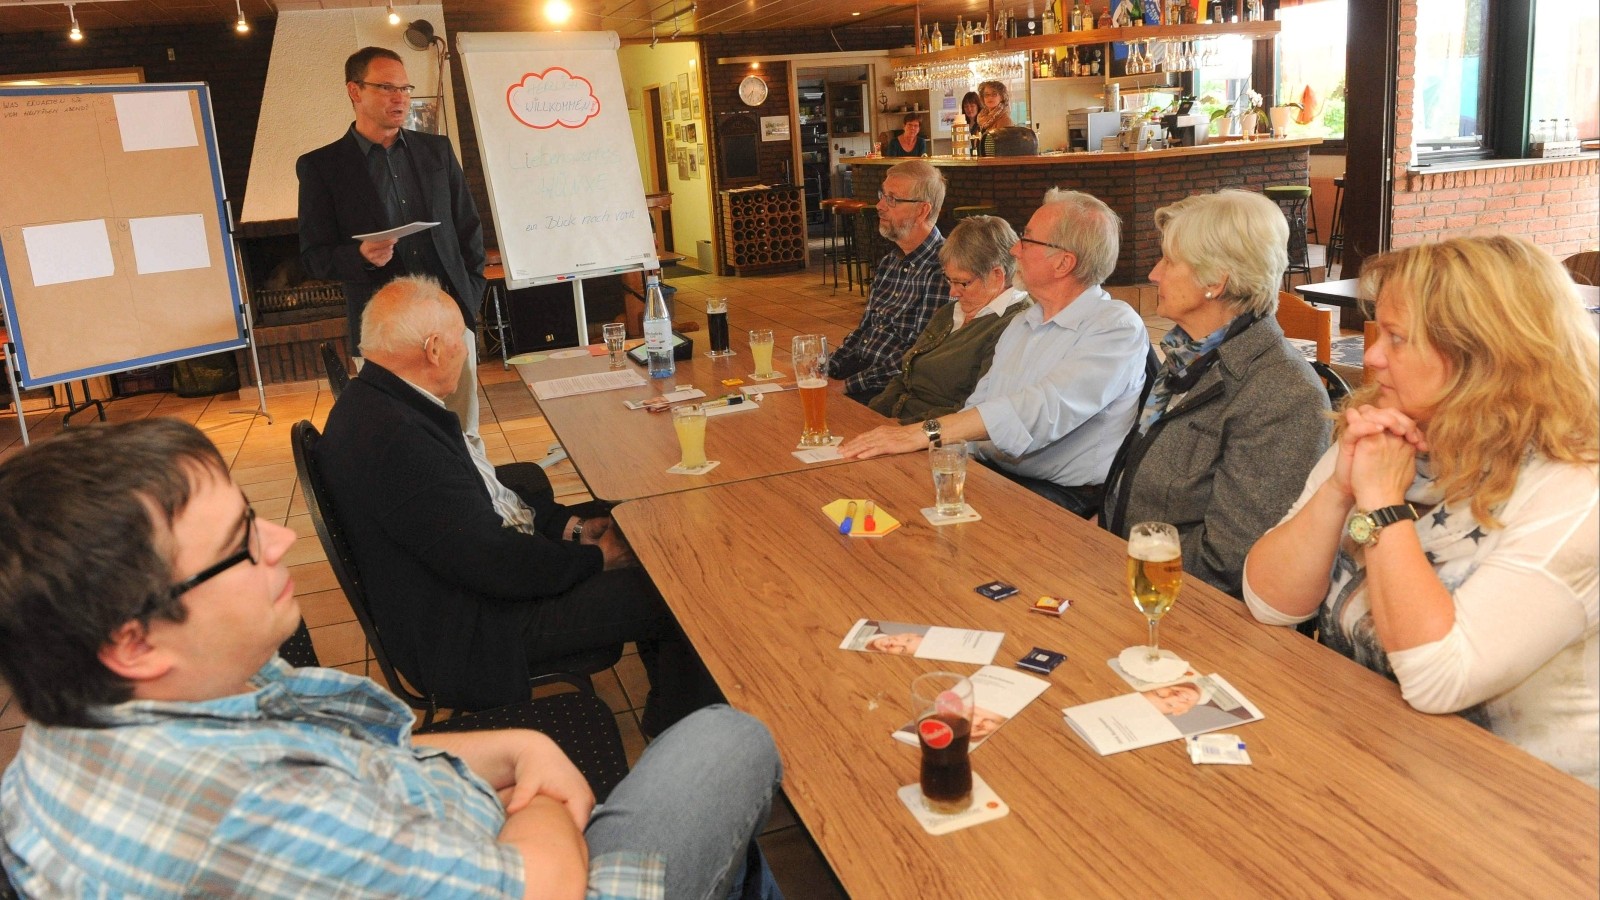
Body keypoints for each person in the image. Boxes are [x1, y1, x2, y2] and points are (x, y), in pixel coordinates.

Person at [0, 418, 785, 899]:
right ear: (132, 642)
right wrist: (541, 805)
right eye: (241, 545)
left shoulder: (118, 717)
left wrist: (523, 742)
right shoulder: (244, 813)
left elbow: (352, 757)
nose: (279, 541)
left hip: (455, 835)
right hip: (530, 866)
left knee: (731, 848)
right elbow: (537, 886)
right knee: (729, 740)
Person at [1242, 235, 1600, 788]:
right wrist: (1340, 489)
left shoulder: (1575, 488)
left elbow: (1440, 678)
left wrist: (1383, 504)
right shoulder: (1389, 426)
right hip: (1380, 757)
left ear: (1484, 355)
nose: (1371, 356)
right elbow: (1269, 602)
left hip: (1531, 817)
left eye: (1398, 338)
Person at [317, 276, 719, 735]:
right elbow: (495, 562)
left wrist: (569, 528)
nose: (464, 353)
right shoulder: (397, 439)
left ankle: (672, 701)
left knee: (630, 515)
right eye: (460, 342)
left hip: (459, 593)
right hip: (474, 632)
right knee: (674, 591)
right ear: (433, 349)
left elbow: (485, 498)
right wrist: (594, 558)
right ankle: (683, 730)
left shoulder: (382, 401)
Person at [842, 189, 1150, 519]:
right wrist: (935, 454)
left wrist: (921, 433)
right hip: (992, 474)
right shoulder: (1024, 322)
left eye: (1028, 240)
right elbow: (980, 406)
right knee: (878, 496)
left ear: (1064, 262)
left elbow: (1040, 410)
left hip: (1060, 495)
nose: (1015, 249)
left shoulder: (1115, 327)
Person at [1100, 190, 1331, 598]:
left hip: (1199, 616)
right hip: (1131, 579)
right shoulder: (1188, 355)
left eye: (1169, 262)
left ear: (1215, 282)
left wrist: (1126, 566)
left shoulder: (1284, 393)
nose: (1154, 274)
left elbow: (1229, 561)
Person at [297, 46, 486, 438]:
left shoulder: (437, 150)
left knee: (464, 431)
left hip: (448, 316)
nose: (400, 97)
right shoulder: (322, 166)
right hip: (383, 330)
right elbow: (314, 257)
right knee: (399, 437)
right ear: (355, 91)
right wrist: (361, 256)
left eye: (404, 88)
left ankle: (476, 499)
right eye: (386, 87)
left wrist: (471, 292)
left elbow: (468, 226)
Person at [869, 215, 1030, 423]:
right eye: (949, 279)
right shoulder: (952, 311)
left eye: (962, 283)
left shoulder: (1014, 324)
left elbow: (973, 412)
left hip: (936, 436)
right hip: (897, 423)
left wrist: (903, 429)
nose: (952, 292)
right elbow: (906, 375)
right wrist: (872, 415)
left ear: (996, 276)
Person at [826, 159, 949, 402]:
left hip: (889, 387)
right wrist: (826, 368)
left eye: (892, 199)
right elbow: (864, 330)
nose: (880, 206)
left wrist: (846, 386)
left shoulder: (943, 269)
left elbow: (916, 356)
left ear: (922, 210)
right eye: (882, 195)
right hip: (859, 372)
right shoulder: (890, 261)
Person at [973, 81, 1014, 153]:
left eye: (994, 94)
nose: (990, 97)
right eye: (986, 95)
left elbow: (1004, 149)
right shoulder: (982, 119)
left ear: (1002, 97)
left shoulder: (1005, 120)